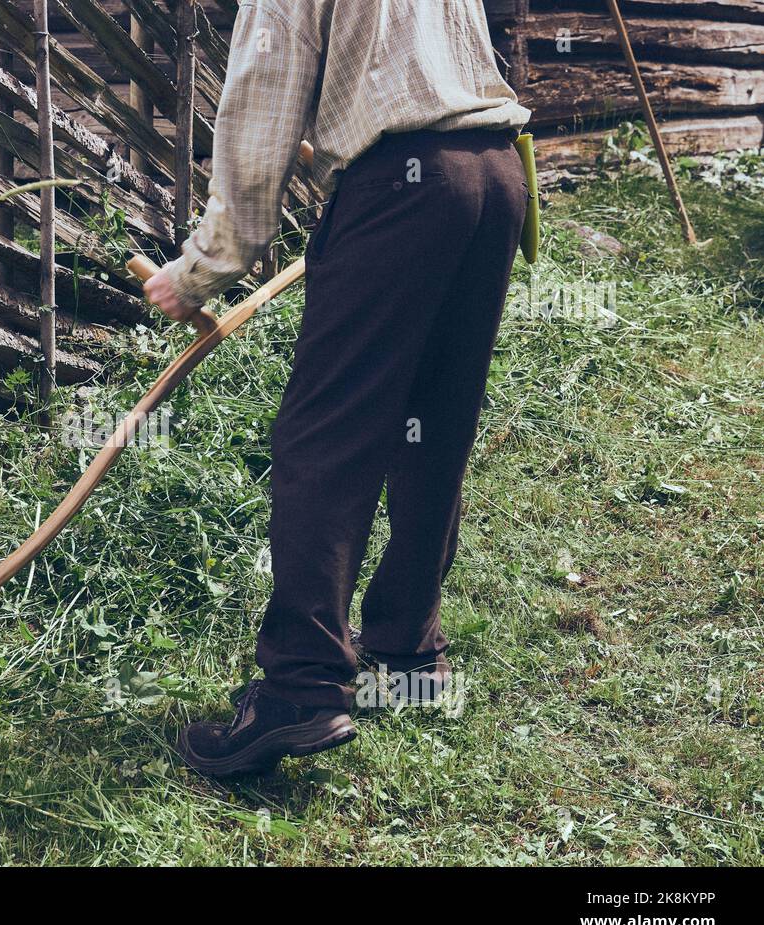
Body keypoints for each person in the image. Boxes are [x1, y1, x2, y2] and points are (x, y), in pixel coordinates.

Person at [143, 0, 532, 777]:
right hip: (493, 173)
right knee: (434, 425)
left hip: (407, 192)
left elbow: (260, 111)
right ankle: (408, 656)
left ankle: (300, 688)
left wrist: (202, 269)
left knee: (326, 437)